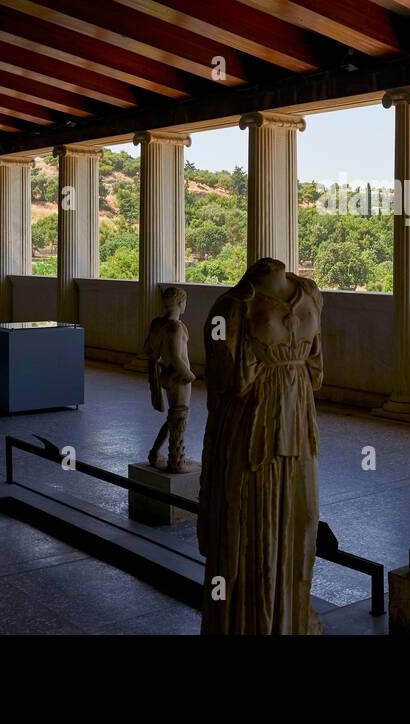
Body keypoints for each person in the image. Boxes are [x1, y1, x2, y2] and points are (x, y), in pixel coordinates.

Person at [197, 258, 324, 635]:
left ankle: (292, 618)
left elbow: (316, 367)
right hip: (252, 422)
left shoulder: (311, 295)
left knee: (299, 514)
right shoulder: (231, 305)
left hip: (298, 415)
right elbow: (225, 379)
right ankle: (248, 621)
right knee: (250, 515)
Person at [143, 286, 195, 472]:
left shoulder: (157, 324)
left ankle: (155, 452)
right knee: (180, 417)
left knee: (173, 417)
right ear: (181, 303)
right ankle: (176, 461)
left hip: (166, 375)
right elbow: (176, 357)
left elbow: (149, 350)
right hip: (177, 377)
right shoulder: (175, 327)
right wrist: (190, 376)